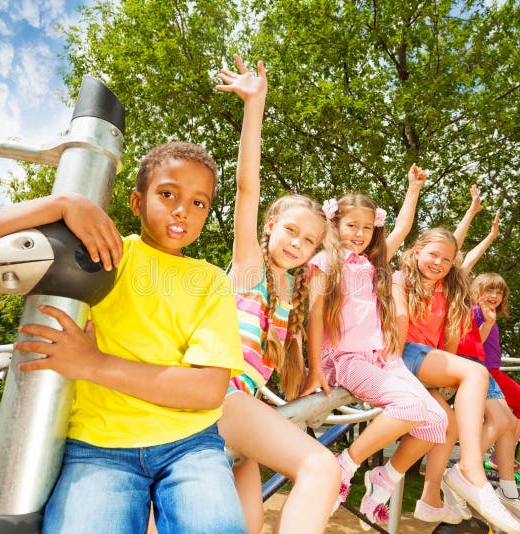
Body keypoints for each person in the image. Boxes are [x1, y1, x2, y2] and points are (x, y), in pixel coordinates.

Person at [0, 141, 249, 534]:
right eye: (167, 193)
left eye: (199, 203)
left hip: (190, 444)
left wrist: (93, 364)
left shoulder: (210, 281)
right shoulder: (101, 254)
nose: (182, 210)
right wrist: (63, 204)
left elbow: (208, 391)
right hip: (99, 448)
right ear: (137, 202)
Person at [213, 54, 340, 534]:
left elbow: (279, 353)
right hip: (217, 398)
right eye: (291, 230)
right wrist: (254, 106)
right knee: (320, 466)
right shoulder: (250, 268)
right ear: (270, 227)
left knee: (247, 524)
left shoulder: (291, 290)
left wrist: (312, 374)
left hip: (243, 405)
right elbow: (248, 188)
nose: (297, 244)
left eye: (308, 241)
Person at [303, 174, 449, 530]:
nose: (359, 233)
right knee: (412, 406)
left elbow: (402, 226)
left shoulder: (371, 264)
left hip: (381, 357)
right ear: (334, 224)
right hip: (345, 358)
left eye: (366, 228)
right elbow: (314, 316)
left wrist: (413, 188)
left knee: (439, 422)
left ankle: (383, 480)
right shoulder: (326, 262)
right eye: (351, 225)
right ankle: (346, 465)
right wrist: (314, 368)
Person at [394, 227, 520, 534]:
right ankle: (470, 468)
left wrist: (444, 373)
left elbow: (449, 337)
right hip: (403, 353)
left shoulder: (447, 289)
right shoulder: (401, 280)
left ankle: (430, 496)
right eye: (432, 255)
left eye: (447, 260)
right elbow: (399, 321)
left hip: (427, 361)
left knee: (447, 424)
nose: (439, 262)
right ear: (415, 253)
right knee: (475, 372)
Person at [472, 272, 520, 532]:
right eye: (488, 291)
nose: (493, 296)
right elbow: (473, 345)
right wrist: (488, 322)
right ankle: (489, 456)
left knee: (517, 414)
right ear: (477, 291)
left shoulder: (488, 315)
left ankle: (502, 466)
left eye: (498, 293)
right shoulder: (477, 313)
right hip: (486, 373)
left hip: (493, 371)